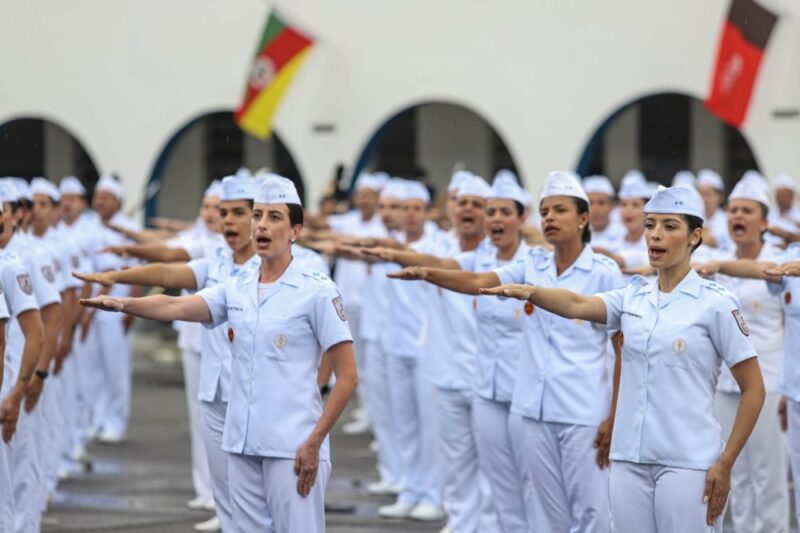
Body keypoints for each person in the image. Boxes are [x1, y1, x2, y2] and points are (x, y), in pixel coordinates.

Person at [479, 186, 765, 532]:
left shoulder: (716, 302)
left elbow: (753, 390)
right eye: (650, 225)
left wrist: (726, 461)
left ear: (695, 237)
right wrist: (532, 291)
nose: (655, 235)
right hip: (629, 458)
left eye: (670, 226)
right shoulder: (634, 295)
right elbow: (577, 304)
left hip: (688, 462)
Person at [80, 177, 358, 533]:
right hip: (242, 443)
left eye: (274, 217)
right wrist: (124, 303)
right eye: (258, 215)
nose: (261, 224)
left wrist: (315, 442)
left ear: (295, 231)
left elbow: (347, 376)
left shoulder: (316, 290)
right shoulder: (237, 285)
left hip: (293, 445)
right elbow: (176, 304)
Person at [390, 171, 623, 532]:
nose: (550, 218)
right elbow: (479, 281)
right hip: (534, 408)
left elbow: (622, 349)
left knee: (591, 512)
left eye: (560, 210)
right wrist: (426, 273)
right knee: (548, 512)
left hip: (583, 411)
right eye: (545, 211)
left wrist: (613, 416)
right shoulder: (533, 265)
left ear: (582, 218)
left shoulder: (604, 273)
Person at [708, 175, 789, 533]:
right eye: (734, 210)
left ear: (765, 222)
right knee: (734, 472)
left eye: (747, 210)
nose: (738, 216)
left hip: (770, 382)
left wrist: (789, 386)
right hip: (727, 383)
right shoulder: (718, 265)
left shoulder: (781, 263)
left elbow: (791, 326)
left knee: (768, 474)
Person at [583, 175, 624, 250]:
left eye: (601, 203)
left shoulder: (624, 233)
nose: (595, 209)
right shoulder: (577, 235)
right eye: (590, 202)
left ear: (612, 205)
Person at [697, 169, 733, 250]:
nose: (704, 199)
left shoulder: (726, 219)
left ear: (720, 196)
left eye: (708, 194)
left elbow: (712, 241)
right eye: (701, 194)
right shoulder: (694, 216)